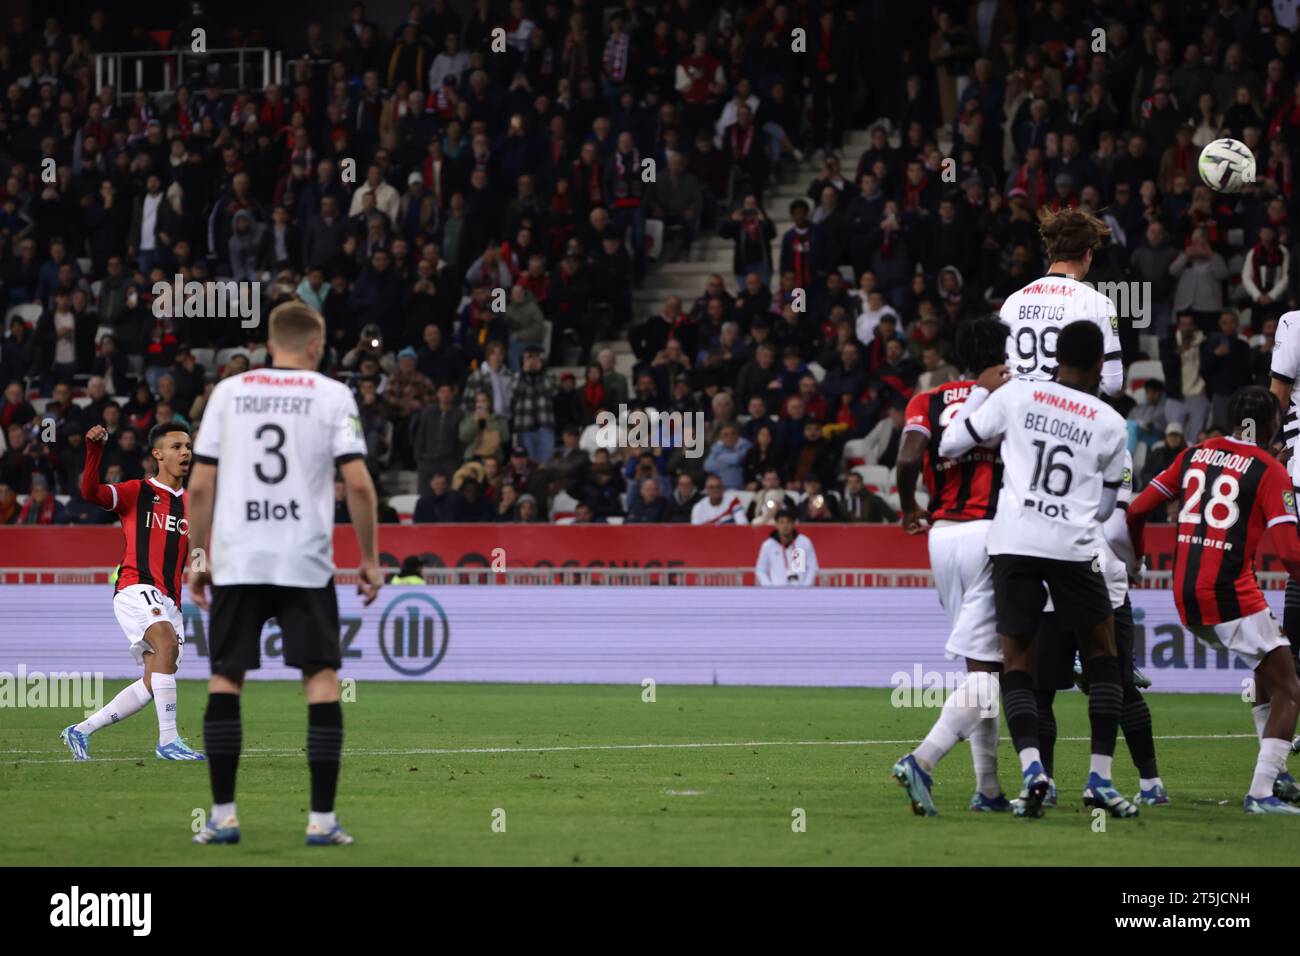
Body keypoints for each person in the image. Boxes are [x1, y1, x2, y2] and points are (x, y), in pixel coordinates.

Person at [186, 302, 383, 846]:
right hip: (305, 558)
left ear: (270, 343)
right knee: (320, 679)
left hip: (239, 556)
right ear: (316, 347)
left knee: (226, 676)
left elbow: (199, 487)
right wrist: (369, 558)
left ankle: (222, 817)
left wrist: (198, 557)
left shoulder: (228, 392)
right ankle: (321, 821)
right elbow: (361, 486)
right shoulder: (332, 395)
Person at [940, 320, 1135, 819]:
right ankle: (1100, 780)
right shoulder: (1112, 424)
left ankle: (1033, 771)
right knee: (1103, 657)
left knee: (1017, 662)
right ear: (1098, 366)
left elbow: (951, 445)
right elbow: (1107, 508)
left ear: (1054, 358)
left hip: (1014, 541)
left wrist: (979, 393)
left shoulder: (1018, 395)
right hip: (1072, 546)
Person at [1128, 386, 1300, 814]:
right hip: (1230, 594)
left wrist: (1136, 559)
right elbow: (1291, 554)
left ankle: (1277, 777)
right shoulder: (1269, 470)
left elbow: (1136, 510)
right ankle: (1261, 793)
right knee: (1291, 688)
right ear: (1272, 424)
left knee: (1268, 669)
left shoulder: (1194, 454)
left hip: (1186, 597)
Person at [891, 317, 1008, 814]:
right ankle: (923, 759)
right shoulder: (1008, 395)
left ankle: (989, 789)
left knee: (980, 666)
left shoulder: (927, 399)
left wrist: (909, 508)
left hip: (940, 537)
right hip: (991, 533)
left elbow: (905, 460)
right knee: (993, 670)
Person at [60, 421, 204, 762]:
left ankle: (80, 730)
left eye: (187, 446)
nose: (185, 452)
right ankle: (168, 741)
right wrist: (94, 450)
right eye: (176, 447)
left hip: (171, 600)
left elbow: (196, 553)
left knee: (156, 679)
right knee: (166, 645)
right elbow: (91, 493)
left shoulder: (195, 505)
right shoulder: (137, 492)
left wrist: (202, 575)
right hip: (135, 586)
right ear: (158, 454)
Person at [999, 207, 1123, 395]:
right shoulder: (1098, 303)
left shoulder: (1012, 301)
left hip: (1017, 410)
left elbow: (1004, 371)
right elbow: (1113, 385)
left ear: (1050, 251)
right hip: (1064, 411)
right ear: (1088, 253)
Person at [754, 508, 818, 586]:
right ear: (776, 525)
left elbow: (812, 567)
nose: (785, 526)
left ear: (793, 524)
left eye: (788, 522)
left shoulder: (804, 542)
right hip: (777, 593)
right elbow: (760, 570)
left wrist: (805, 587)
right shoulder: (768, 545)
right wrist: (770, 588)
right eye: (781, 522)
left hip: (801, 592)